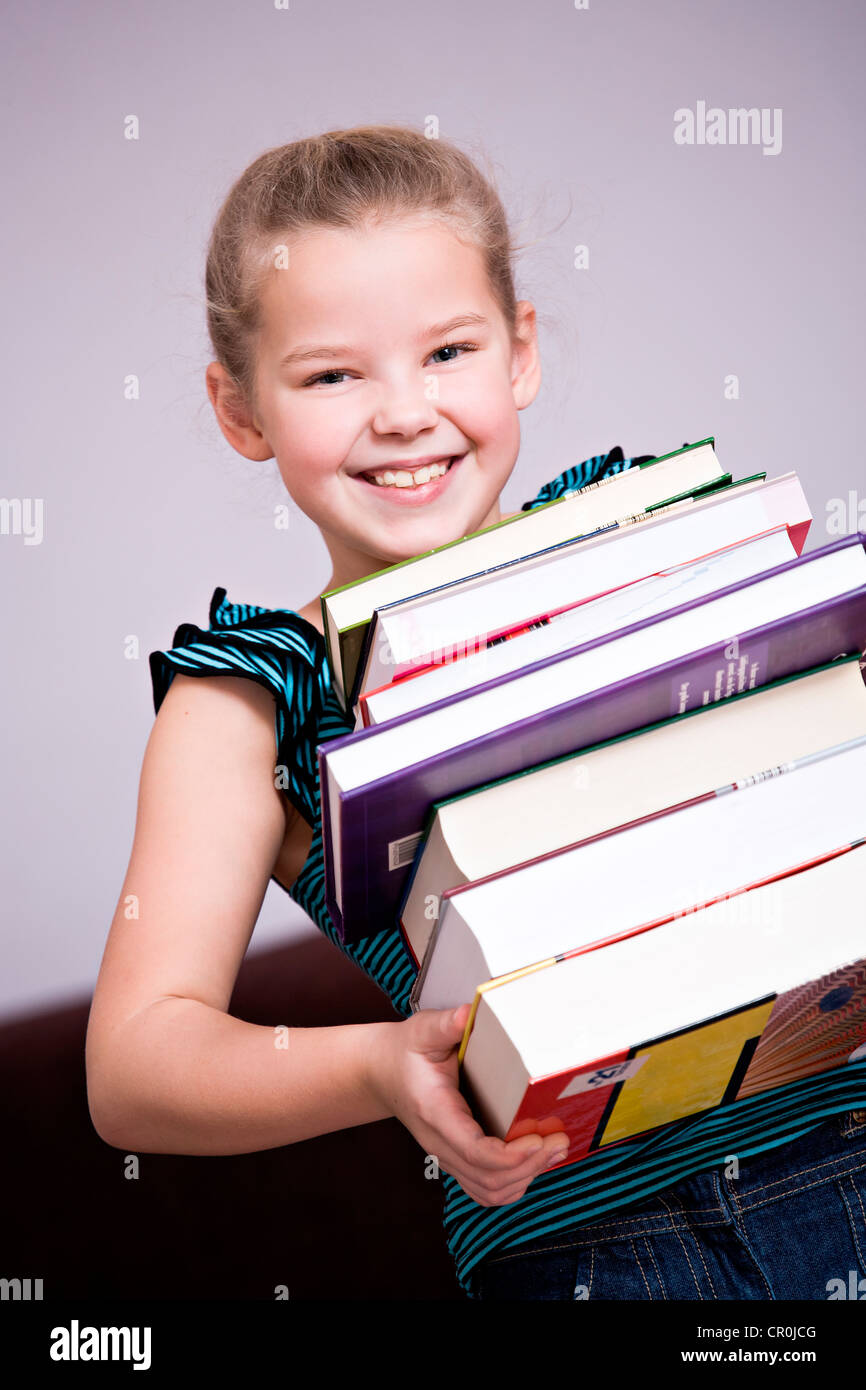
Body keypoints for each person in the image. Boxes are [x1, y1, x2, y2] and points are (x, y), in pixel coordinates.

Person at [85, 124, 866, 1301]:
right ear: (239, 408)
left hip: (843, 1133)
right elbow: (136, 1062)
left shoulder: (651, 540)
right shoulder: (246, 701)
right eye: (331, 375)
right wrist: (378, 1071)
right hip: (584, 1245)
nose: (403, 414)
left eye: (447, 350)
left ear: (519, 352)